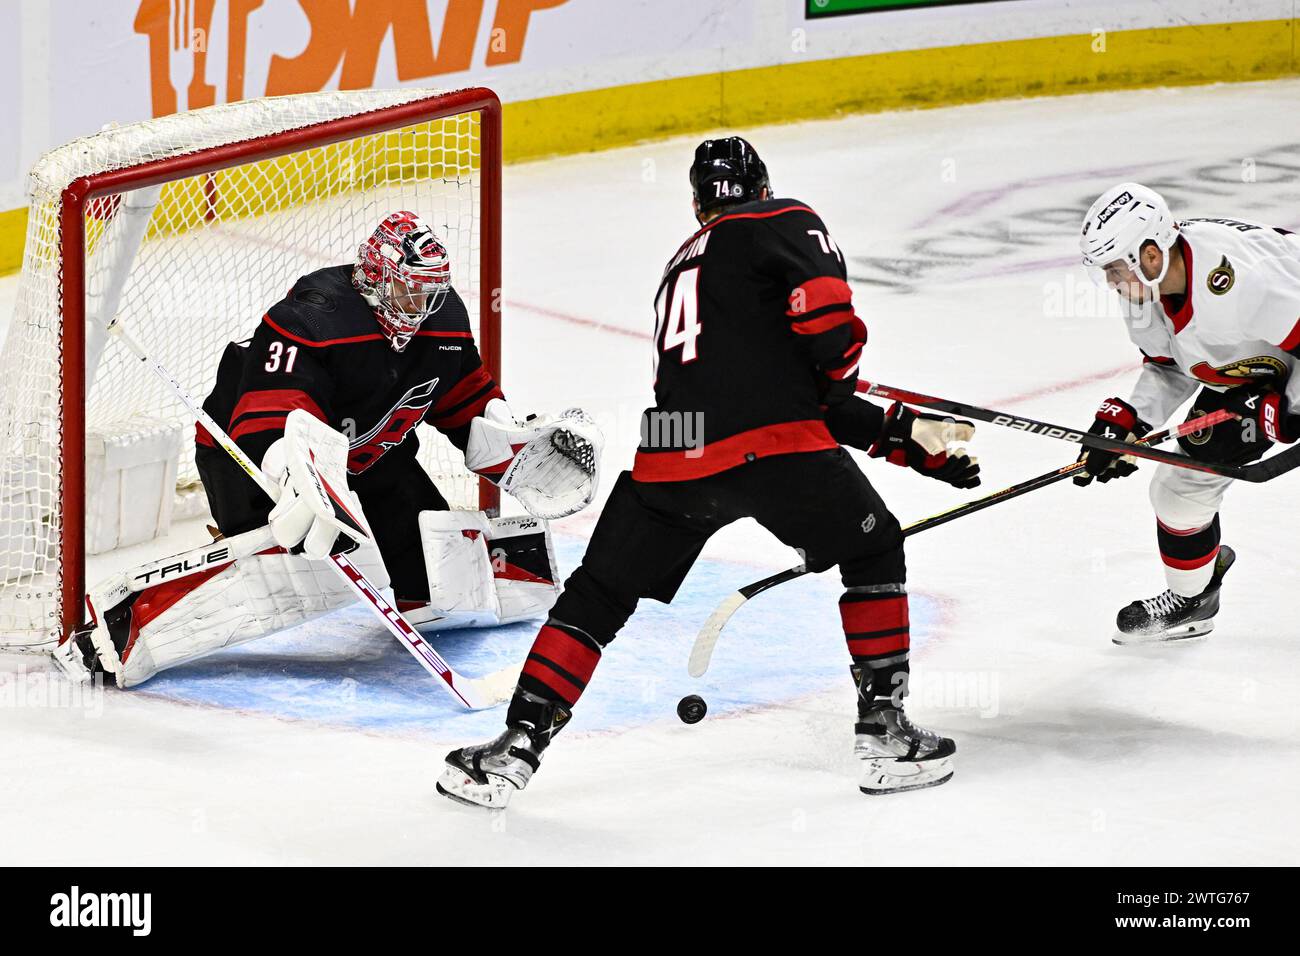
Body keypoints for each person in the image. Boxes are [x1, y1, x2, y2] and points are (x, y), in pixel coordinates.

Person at [438, 137, 980, 808]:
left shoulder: (678, 267)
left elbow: (744, 395)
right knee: (872, 547)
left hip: (671, 448)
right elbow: (826, 336)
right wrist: (855, 388)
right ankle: (886, 736)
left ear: (698, 205)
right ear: (762, 186)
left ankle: (512, 750)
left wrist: (898, 435)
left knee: (599, 594)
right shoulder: (783, 218)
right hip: (771, 448)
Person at [68, 211, 600, 688]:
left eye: (431, 291)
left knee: (440, 577)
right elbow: (269, 414)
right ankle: (118, 629)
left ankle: (445, 575)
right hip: (251, 455)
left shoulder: (443, 320)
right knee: (281, 567)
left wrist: (507, 438)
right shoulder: (311, 319)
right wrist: (295, 475)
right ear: (375, 278)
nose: (424, 305)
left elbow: (463, 396)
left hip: (373, 452)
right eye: (412, 291)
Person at [1076, 183, 1300, 642]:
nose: (1112, 282)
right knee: (1179, 490)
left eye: (1117, 269)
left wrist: (1289, 409)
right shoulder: (1143, 293)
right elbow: (1172, 366)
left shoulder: (1239, 283)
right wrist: (1127, 418)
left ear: (1151, 254)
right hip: (1259, 367)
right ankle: (1193, 600)